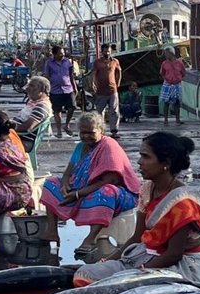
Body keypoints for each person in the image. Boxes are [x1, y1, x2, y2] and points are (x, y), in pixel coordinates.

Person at [75, 131, 200, 286]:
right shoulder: (147, 190)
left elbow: (173, 255)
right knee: (85, 274)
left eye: (146, 157)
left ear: (166, 163)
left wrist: (134, 275)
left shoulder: (183, 202)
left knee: (115, 287)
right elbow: (137, 236)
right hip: (145, 257)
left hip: (178, 268)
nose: (139, 162)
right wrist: (105, 261)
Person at [40, 111, 142, 259]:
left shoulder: (109, 146)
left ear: (101, 131)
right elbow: (68, 172)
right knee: (51, 184)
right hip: (82, 188)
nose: (86, 136)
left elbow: (110, 179)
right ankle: (52, 231)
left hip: (119, 193)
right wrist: (65, 185)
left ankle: (91, 238)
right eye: (83, 132)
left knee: (105, 192)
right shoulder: (81, 147)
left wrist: (77, 194)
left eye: (91, 132)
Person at [44, 44, 78, 138]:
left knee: (72, 106)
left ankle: (66, 125)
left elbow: (71, 76)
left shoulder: (67, 62)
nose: (62, 55)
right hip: (55, 90)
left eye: (63, 53)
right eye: (59, 54)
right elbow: (47, 76)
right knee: (57, 110)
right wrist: (46, 89)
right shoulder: (49, 63)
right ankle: (59, 130)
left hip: (68, 88)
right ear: (54, 54)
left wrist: (75, 87)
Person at [92, 44, 122, 134]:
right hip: (101, 91)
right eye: (105, 51)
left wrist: (118, 82)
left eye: (109, 51)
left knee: (114, 110)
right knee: (100, 112)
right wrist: (93, 83)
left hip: (113, 90)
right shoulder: (97, 62)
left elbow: (119, 71)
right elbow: (93, 73)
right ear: (102, 52)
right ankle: (101, 130)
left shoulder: (115, 61)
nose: (107, 53)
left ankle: (114, 130)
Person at [15, 75, 52, 142]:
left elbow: (28, 127)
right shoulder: (33, 102)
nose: (27, 88)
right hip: (17, 136)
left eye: (31, 86)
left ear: (42, 89)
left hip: (23, 139)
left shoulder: (42, 106)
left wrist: (7, 129)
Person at [159, 47, 187, 123]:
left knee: (177, 102)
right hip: (167, 84)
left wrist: (178, 79)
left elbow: (183, 73)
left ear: (171, 53)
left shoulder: (179, 63)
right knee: (166, 102)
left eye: (166, 53)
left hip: (177, 84)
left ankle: (177, 119)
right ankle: (165, 120)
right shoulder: (164, 63)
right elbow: (162, 73)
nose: (165, 55)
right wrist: (167, 79)